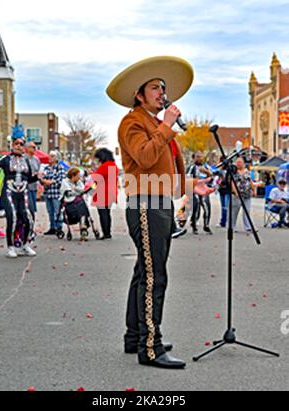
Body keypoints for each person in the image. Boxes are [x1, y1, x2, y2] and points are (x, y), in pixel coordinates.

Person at [107, 55, 194, 369]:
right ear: (139, 95)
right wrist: (167, 127)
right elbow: (144, 157)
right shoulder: (132, 122)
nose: (162, 92)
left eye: (163, 87)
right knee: (154, 275)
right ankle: (151, 346)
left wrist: (183, 194)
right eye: (155, 87)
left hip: (160, 202)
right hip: (145, 202)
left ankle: (136, 336)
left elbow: (171, 164)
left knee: (143, 271)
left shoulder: (156, 124)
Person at [0, 126, 37, 258]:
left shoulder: (27, 160)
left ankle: (25, 245)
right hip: (9, 193)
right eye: (16, 143)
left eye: (22, 144)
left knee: (29, 217)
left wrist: (39, 177)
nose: (19, 146)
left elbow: (31, 177)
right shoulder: (5, 159)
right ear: (12, 145)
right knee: (13, 218)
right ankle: (11, 247)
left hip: (24, 193)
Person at [91, 148, 119, 240]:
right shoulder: (113, 165)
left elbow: (96, 178)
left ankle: (106, 233)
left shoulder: (104, 166)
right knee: (107, 212)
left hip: (102, 193)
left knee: (102, 213)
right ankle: (108, 232)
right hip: (111, 192)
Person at [60, 167, 91, 240]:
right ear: (73, 176)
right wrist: (78, 192)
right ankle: (83, 225)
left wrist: (75, 189)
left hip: (78, 203)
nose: (79, 177)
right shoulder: (65, 182)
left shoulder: (79, 182)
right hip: (69, 204)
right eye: (78, 176)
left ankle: (83, 225)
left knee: (81, 204)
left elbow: (83, 190)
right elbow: (68, 193)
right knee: (81, 205)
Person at [188, 151, 213, 235]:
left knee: (207, 208)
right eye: (197, 157)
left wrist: (207, 173)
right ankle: (194, 225)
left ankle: (206, 225)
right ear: (194, 158)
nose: (199, 158)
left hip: (204, 190)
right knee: (196, 208)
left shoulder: (206, 167)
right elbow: (187, 178)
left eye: (201, 157)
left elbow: (212, 178)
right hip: (195, 191)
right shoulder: (192, 167)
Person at [42, 151, 65, 236]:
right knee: (50, 211)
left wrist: (49, 182)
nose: (49, 157)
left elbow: (61, 180)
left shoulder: (60, 167)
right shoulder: (46, 168)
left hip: (56, 193)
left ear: (56, 158)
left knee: (57, 211)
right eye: (49, 156)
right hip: (48, 193)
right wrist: (45, 181)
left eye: (51, 156)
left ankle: (59, 227)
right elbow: (43, 179)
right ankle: (52, 227)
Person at [231, 157, 256, 233]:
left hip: (247, 194)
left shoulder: (247, 172)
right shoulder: (234, 172)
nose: (239, 164)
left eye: (240, 162)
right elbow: (232, 183)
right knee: (234, 212)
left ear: (243, 163)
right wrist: (235, 192)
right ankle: (232, 227)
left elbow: (250, 181)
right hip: (237, 195)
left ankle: (248, 227)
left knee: (247, 211)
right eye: (237, 162)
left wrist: (253, 190)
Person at [25, 142, 41, 219]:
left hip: (34, 187)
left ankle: (31, 227)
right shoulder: (23, 159)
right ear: (27, 148)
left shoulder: (37, 160)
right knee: (28, 209)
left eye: (35, 147)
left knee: (33, 210)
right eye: (33, 147)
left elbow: (38, 173)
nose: (35, 149)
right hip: (25, 187)